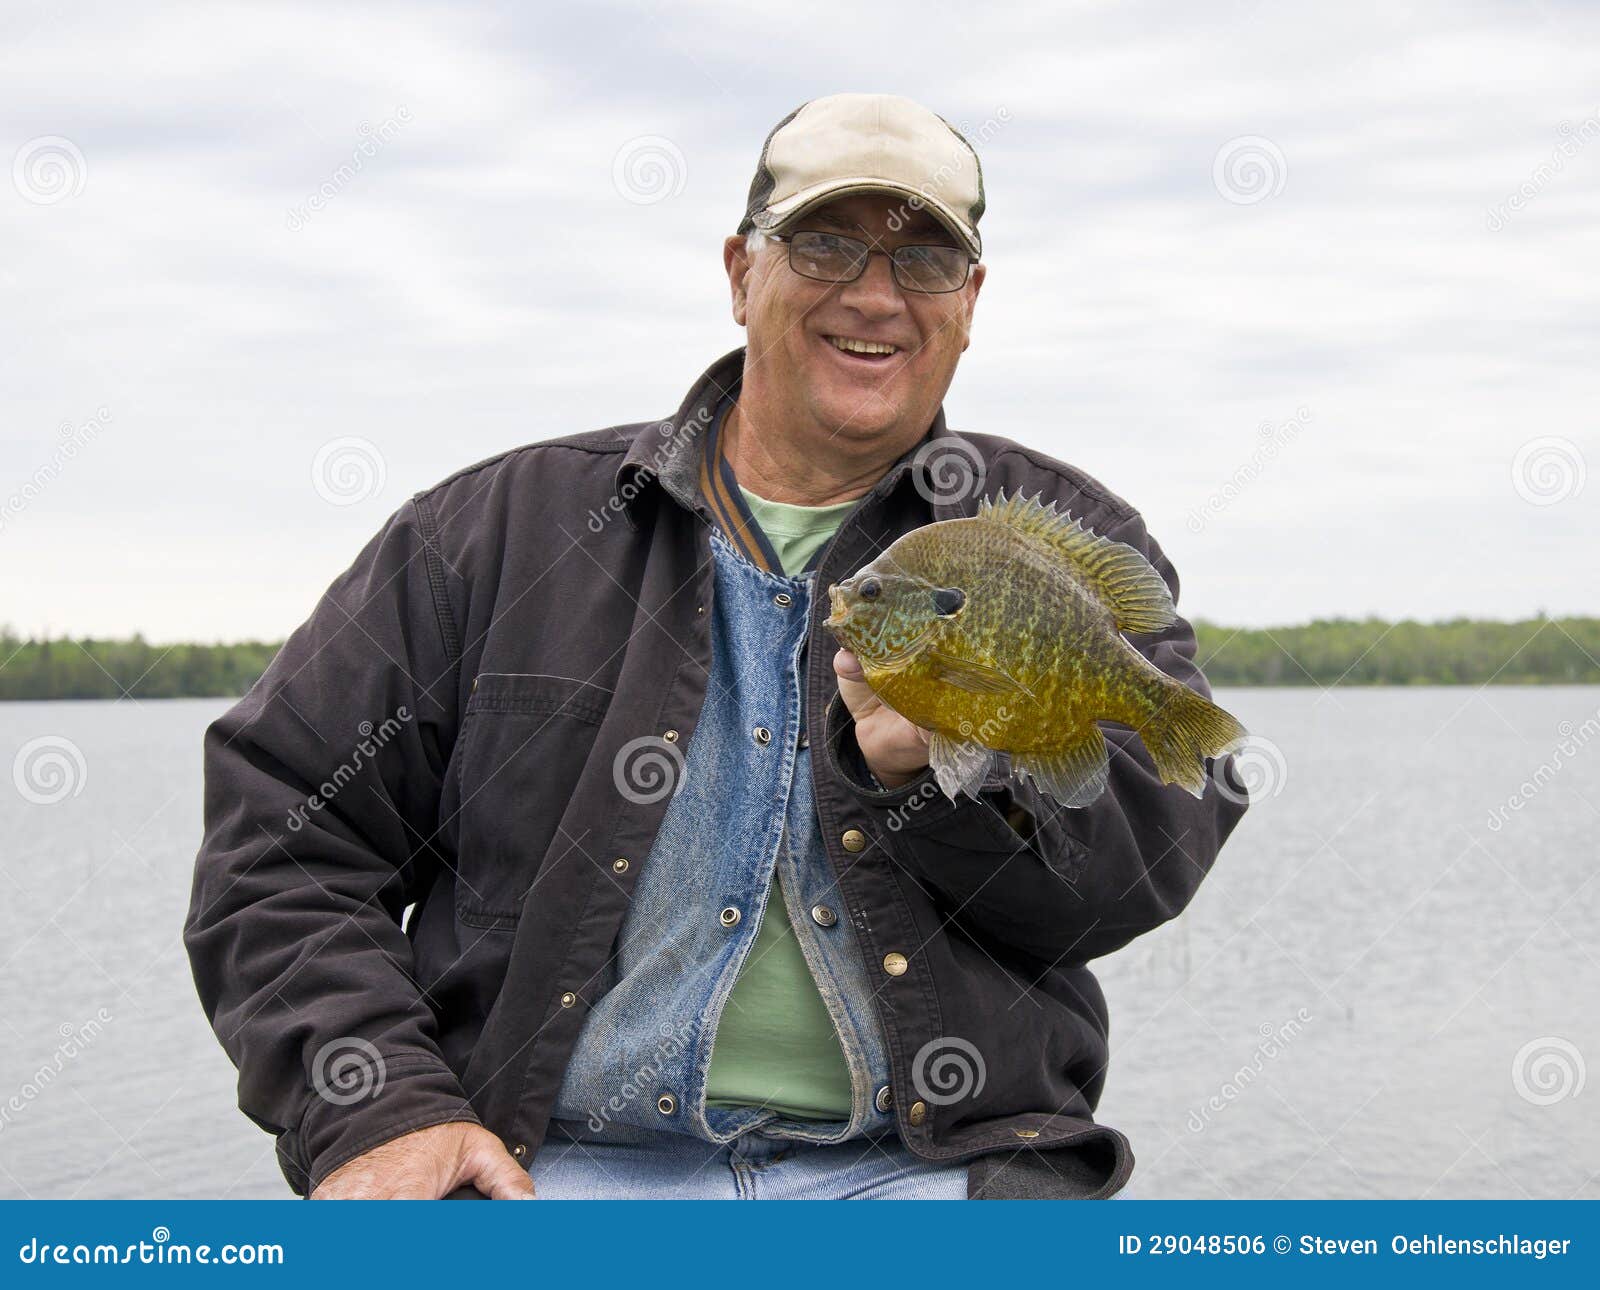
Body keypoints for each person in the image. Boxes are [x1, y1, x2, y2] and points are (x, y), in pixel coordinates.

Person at [184, 91, 1248, 1200]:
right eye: (827, 244)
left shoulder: (1064, 534)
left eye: (924, 260)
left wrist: (944, 779)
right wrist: (380, 1109)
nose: (874, 295)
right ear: (742, 272)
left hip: (929, 1177)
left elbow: (1136, 871)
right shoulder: (489, 533)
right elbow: (282, 839)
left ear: (970, 303)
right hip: (546, 1171)